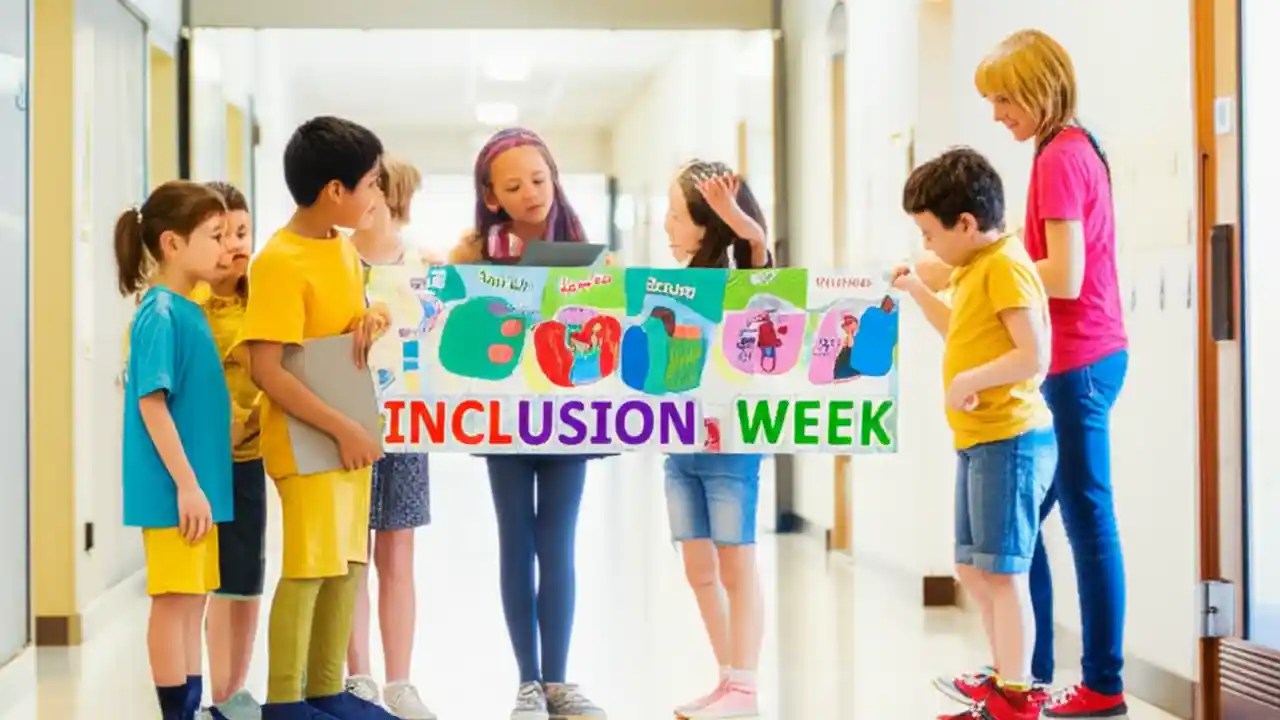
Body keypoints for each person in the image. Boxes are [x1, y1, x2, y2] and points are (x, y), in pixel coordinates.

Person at [936, 30, 1131, 719]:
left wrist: (979, 264)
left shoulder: (1059, 157)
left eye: (1003, 100)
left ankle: (1094, 684)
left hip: (1078, 361)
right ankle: (1023, 674)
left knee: (1079, 519)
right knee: (1027, 527)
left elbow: (1065, 275)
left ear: (1037, 91)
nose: (996, 115)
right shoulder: (1072, 148)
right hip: (1086, 356)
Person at [240, 116, 395, 720]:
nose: (377, 195)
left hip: (350, 434)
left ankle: (327, 691)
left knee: (346, 564)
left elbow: (339, 326)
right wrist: (342, 428)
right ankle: (285, 701)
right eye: (372, 183)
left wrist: (370, 317)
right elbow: (267, 369)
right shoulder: (279, 261)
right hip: (310, 438)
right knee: (308, 566)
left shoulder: (343, 252)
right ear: (336, 190)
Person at [449, 127, 606, 720]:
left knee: (557, 543)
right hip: (503, 421)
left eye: (538, 180)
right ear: (491, 197)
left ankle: (558, 681)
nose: (531, 193)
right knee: (515, 541)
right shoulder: (473, 253)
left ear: (554, 178)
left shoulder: (588, 253)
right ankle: (528, 683)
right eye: (513, 187)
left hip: (567, 420)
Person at [894, 148, 1056, 720]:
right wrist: (919, 291)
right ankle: (1002, 677)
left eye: (929, 233)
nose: (927, 246)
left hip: (1010, 440)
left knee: (1003, 572)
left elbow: (1034, 354)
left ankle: (1017, 693)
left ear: (965, 223)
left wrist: (970, 380)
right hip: (979, 440)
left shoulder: (1005, 265)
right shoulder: (974, 267)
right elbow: (960, 331)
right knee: (972, 568)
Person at [115, 180, 234, 720]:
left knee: (193, 600)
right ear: (172, 244)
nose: (225, 247)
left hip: (198, 489)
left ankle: (189, 707)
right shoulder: (159, 312)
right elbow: (152, 403)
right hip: (176, 491)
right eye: (214, 235)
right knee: (174, 603)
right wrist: (186, 485)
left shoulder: (188, 309)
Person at [661, 160, 771, 720]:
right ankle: (728, 679)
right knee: (698, 567)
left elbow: (759, 254)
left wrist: (739, 220)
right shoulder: (679, 288)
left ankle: (745, 688)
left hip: (730, 446)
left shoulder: (739, 279)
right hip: (681, 446)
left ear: (709, 225)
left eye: (676, 215)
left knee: (736, 563)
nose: (666, 225)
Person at [344, 155, 437, 720]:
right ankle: (359, 676)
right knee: (352, 552)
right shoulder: (337, 260)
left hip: (407, 422)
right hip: (347, 423)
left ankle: (400, 680)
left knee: (398, 551)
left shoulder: (425, 264)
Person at [195, 182, 268, 720]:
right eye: (221, 235)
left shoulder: (262, 298)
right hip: (200, 466)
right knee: (209, 582)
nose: (235, 245)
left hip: (251, 457)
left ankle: (234, 691)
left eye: (242, 232)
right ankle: (215, 691)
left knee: (245, 579)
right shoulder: (189, 305)